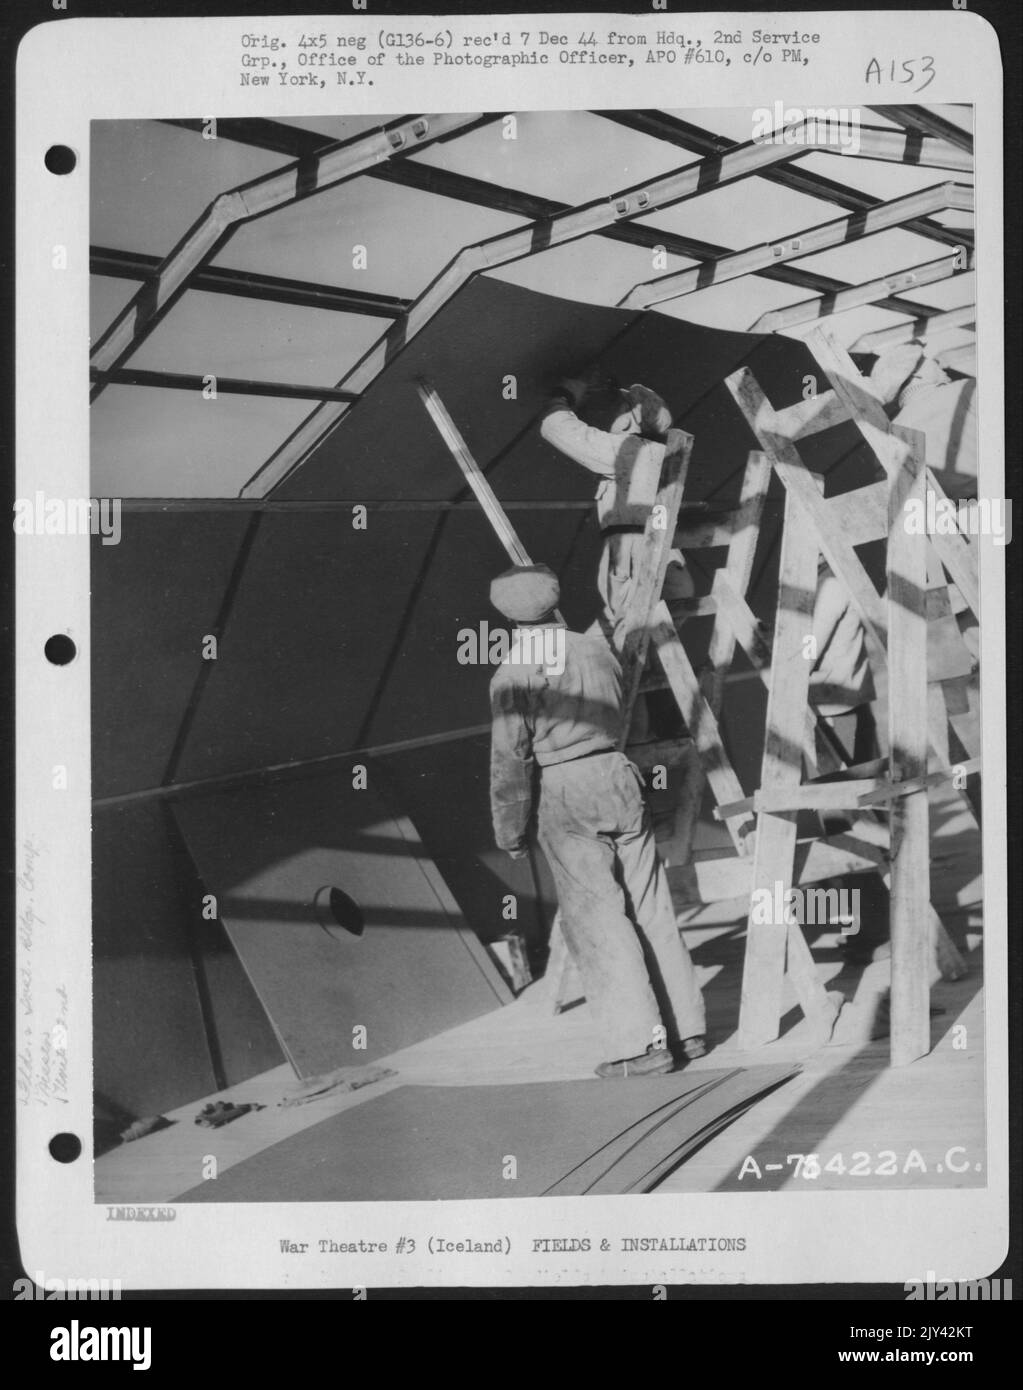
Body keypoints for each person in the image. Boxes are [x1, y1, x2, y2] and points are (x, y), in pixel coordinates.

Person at [487, 562, 706, 1078]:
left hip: (565, 788)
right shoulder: (595, 649)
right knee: (650, 904)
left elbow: (509, 763)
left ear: (508, 616)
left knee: (599, 919)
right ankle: (687, 1031)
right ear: (554, 599)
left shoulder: (511, 674)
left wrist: (510, 831)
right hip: (618, 773)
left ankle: (639, 1047)